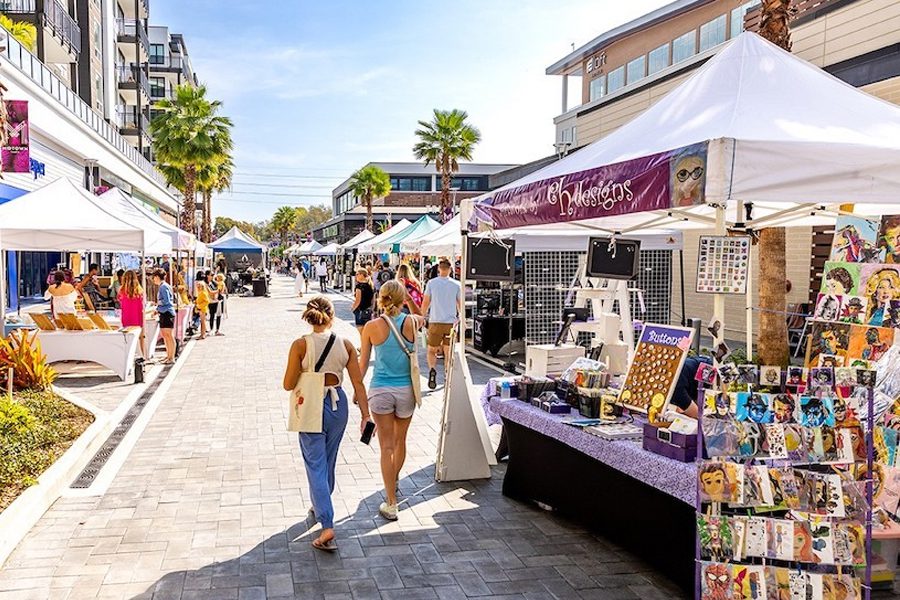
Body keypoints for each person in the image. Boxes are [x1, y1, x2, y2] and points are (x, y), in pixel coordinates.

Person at [282, 297, 369, 552]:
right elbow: (358, 383)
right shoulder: (346, 344)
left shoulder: (300, 344)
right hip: (338, 404)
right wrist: (365, 415)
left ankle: (327, 523)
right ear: (331, 316)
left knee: (315, 463)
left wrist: (307, 373)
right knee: (329, 460)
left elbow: (288, 383)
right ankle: (322, 505)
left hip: (311, 404)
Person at [359, 281, 426, 521]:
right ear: (402, 298)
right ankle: (393, 479)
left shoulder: (370, 327)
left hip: (380, 390)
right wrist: (409, 301)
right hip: (406, 390)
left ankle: (391, 502)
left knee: (385, 447)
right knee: (400, 441)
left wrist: (358, 392)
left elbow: (363, 363)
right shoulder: (411, 321)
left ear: (381, 298)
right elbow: (423, 316)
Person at [420, 259, 461, 390]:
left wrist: (422, 316)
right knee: (448, 352)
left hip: (435, 322)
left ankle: (432, 370)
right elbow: (460, 304)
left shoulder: (431, 283)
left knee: (432, 350)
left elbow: (426, 302)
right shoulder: (456, 284)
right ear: (450, 269)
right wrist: (460, 318)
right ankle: (447, 375)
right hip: (450, 323)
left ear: (439, 269)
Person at [118, 270, 147, 359]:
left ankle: (129, 358)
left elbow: (120, 302)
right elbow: (143, 304)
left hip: (126, 317)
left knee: (127, 339)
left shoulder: (121, 290)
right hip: (138, 317)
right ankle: (142, 356)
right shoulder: (140, 290)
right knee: (140, 338)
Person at [153, 269, 176, 364]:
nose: (153, 279)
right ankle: (168, 356)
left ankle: (171, 357)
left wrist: (157, 305)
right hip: (164, 312)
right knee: (165, 335)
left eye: (154, 277)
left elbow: (167, 301)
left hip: (167, 312)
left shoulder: (163, 287)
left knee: (168, 335)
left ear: (157, 277)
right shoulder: (163, 286)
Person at [351, 269, 375, 333]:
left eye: (357, 274)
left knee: (361, 332)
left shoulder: (359, 286)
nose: (356, 276)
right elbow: (372, 300)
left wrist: (353, 308)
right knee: (367, 331)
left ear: (362, 275)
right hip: (368, 311)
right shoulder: (370, 286)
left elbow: (358, 300)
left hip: (360, 311)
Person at [194, 271, 210, 340]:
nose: (197, 287)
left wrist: (199, 306)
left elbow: (207, 301)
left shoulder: (203, 293)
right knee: (202, 322)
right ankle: (202, 334)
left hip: (203, 309)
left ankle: (202, 334)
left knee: (203, 322)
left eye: (198, 286)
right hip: (201, 309)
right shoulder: (201, 292)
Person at [207, 272, 223, 336]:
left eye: (213, 275)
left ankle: (217, 330)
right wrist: (218, 291)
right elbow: (210, 292)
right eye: (211, 275)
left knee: (219, 315)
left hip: (217, 301)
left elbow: (220, 289)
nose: (213, 276)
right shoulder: (207, 283)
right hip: (211, 301)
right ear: (207, 276)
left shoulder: (214, 283)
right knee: (212, 315)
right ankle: (211, 329)